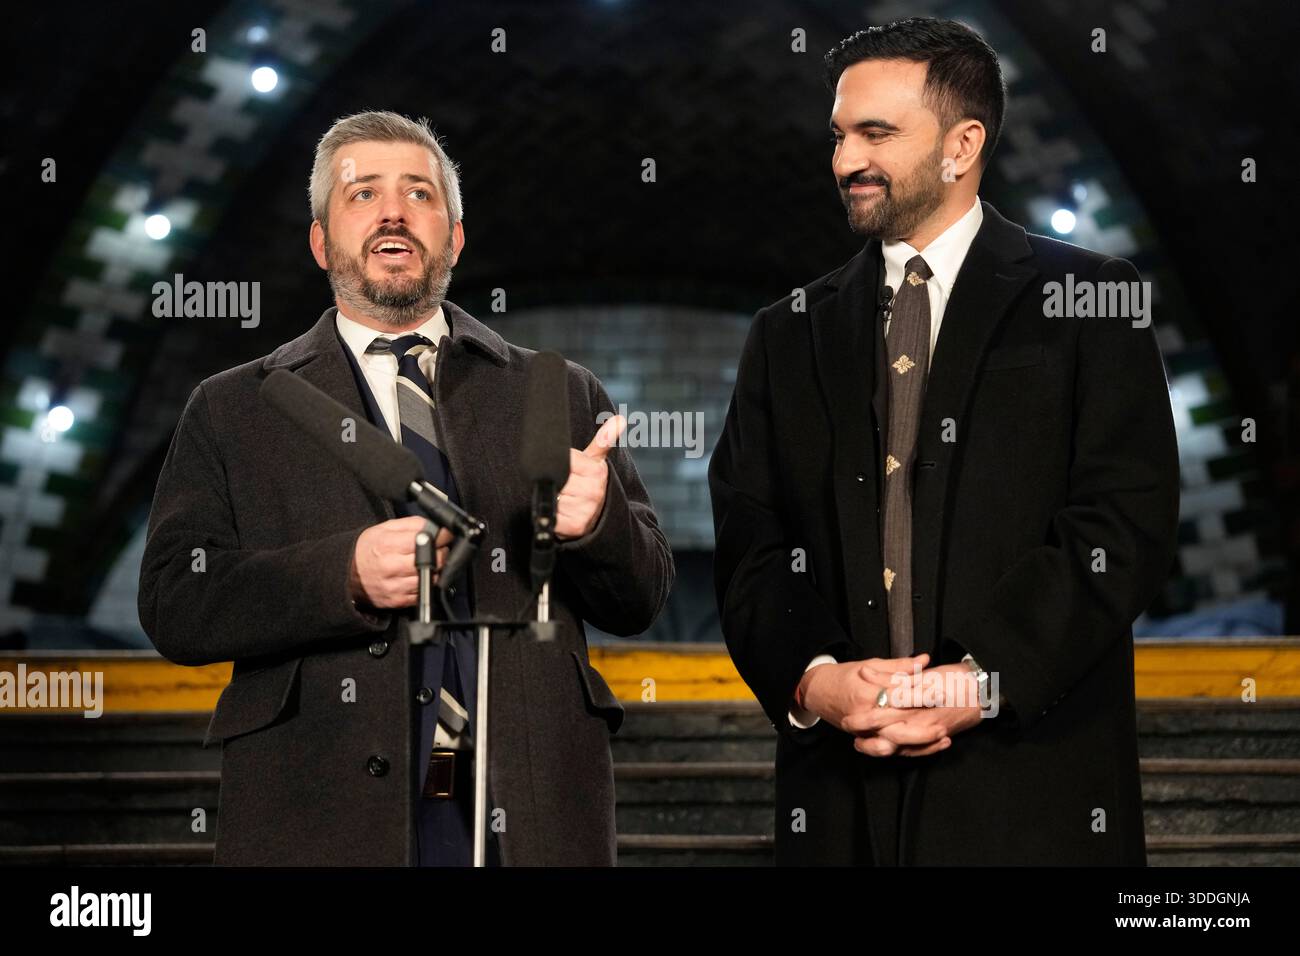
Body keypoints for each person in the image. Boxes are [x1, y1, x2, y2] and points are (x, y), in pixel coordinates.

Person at [138, 110, 674, 866]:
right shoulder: (234, 406)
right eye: (363, 195)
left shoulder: (560, 391)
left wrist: (598, 525)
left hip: (524, 807)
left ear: (454, 236)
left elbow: (642, 597)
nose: (392, 210)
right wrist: (343, 573)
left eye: (419, 194)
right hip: (318, 813)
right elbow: (174, 603)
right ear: (321, 241)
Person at [708, 18, 1179, 865]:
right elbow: (751, 540)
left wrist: (981, 678)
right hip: (838, 804)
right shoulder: (787, 331)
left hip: (1033, 798)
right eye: (840, 134)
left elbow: (1123, 522)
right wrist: (817, 679)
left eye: (876, 133)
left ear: (963, 145)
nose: (845, 160)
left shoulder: (1094, 297)